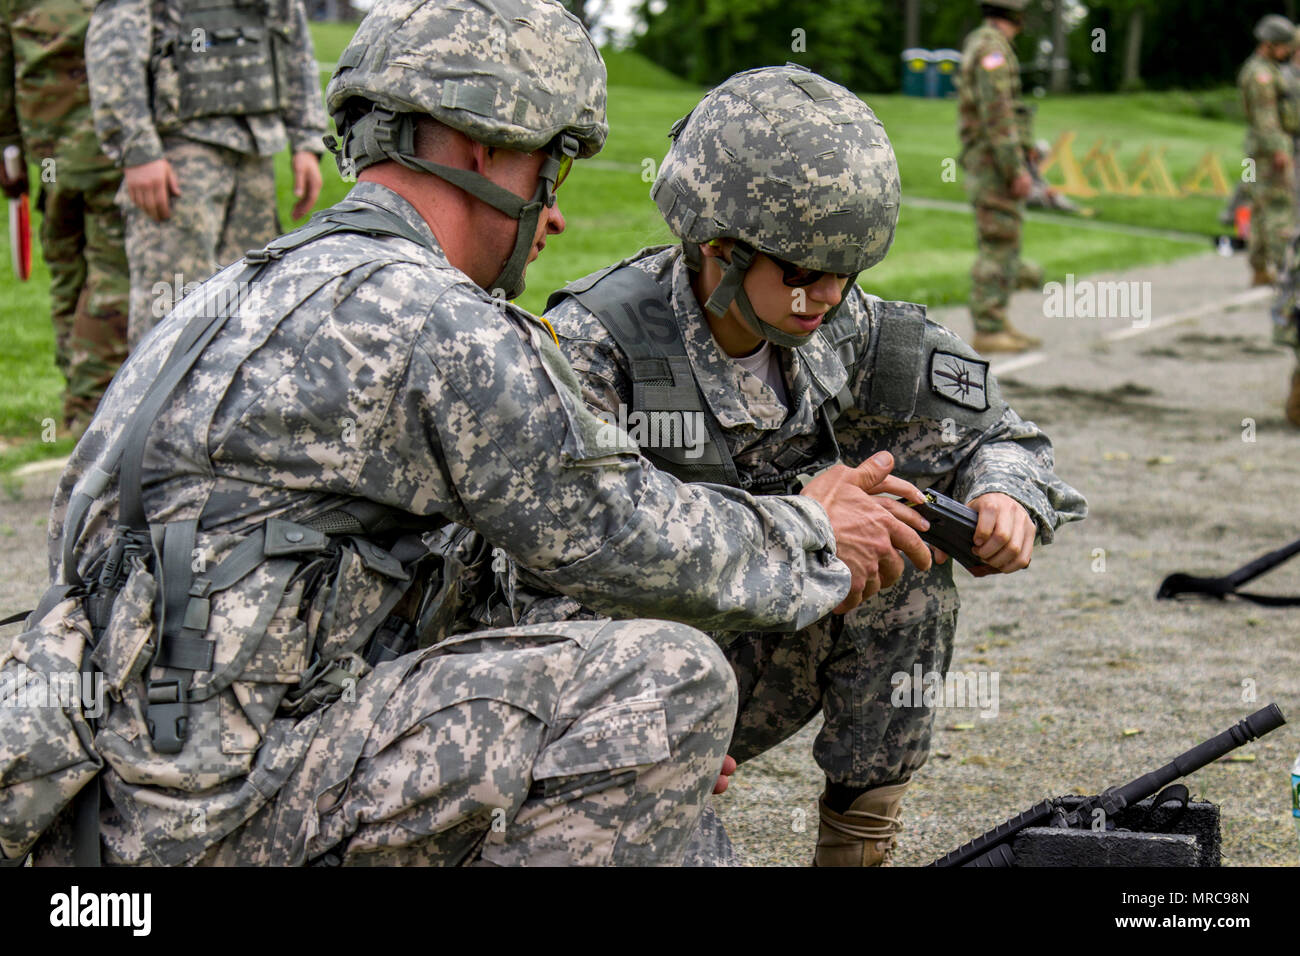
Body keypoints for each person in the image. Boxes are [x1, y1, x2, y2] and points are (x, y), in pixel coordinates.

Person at [0, 0, 930, 868]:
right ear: (486, 155)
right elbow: (617, 531)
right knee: (668, 681)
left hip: (109, 808)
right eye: (548, 170)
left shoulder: (230, 292)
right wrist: (810, 531)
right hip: (223, 817)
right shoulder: (429, 318)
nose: (552, 212)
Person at [485, 65, 1086, 865]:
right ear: (719, 250)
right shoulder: (601, 350)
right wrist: (788, 527)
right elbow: (525, 583)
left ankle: (857, 848)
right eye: (801, 271)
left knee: (900, 559)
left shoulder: (850, 329)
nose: (828, 296)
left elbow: (1003, 436)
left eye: (845, 270)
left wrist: (1004, 495)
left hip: (745, 647)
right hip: (612, 675)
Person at [85, 0, 328, 347]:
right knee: (172, 310)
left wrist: (306, 138)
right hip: (180, 156)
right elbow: (115, 46)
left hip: (254, 153)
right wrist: (136, 149)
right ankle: (160, 401)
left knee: (249, 310)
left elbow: (291, 33)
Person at [0, 0, 129, 432]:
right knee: (111, 281)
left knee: (67, 276)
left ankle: (76, 399)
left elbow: (3, 80)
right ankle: (92, 409)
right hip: (111, 151)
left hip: (50, 158)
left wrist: (9, 155)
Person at [958, 0, 1045, 354]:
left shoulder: (982, 43)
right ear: (1016, 16)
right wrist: (1015, 169)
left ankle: (997, 317)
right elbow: (998, 114)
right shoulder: (992, 49)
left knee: (1005, 240)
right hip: (994, 163)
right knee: (998, 244)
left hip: (991, 159)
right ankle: (989, 327)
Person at [1239, 14, 1299, 288]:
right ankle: (1282, 266)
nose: (1287, 51)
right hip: (1266, 154)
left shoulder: (1261, 69)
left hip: (1255, 153)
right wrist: (1279, 150)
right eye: (1284, 46)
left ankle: (1260, 268)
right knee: (1277, 208)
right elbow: (1266, 117)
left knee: (1260, 207)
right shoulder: (1261, 74)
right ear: (1270, 44)